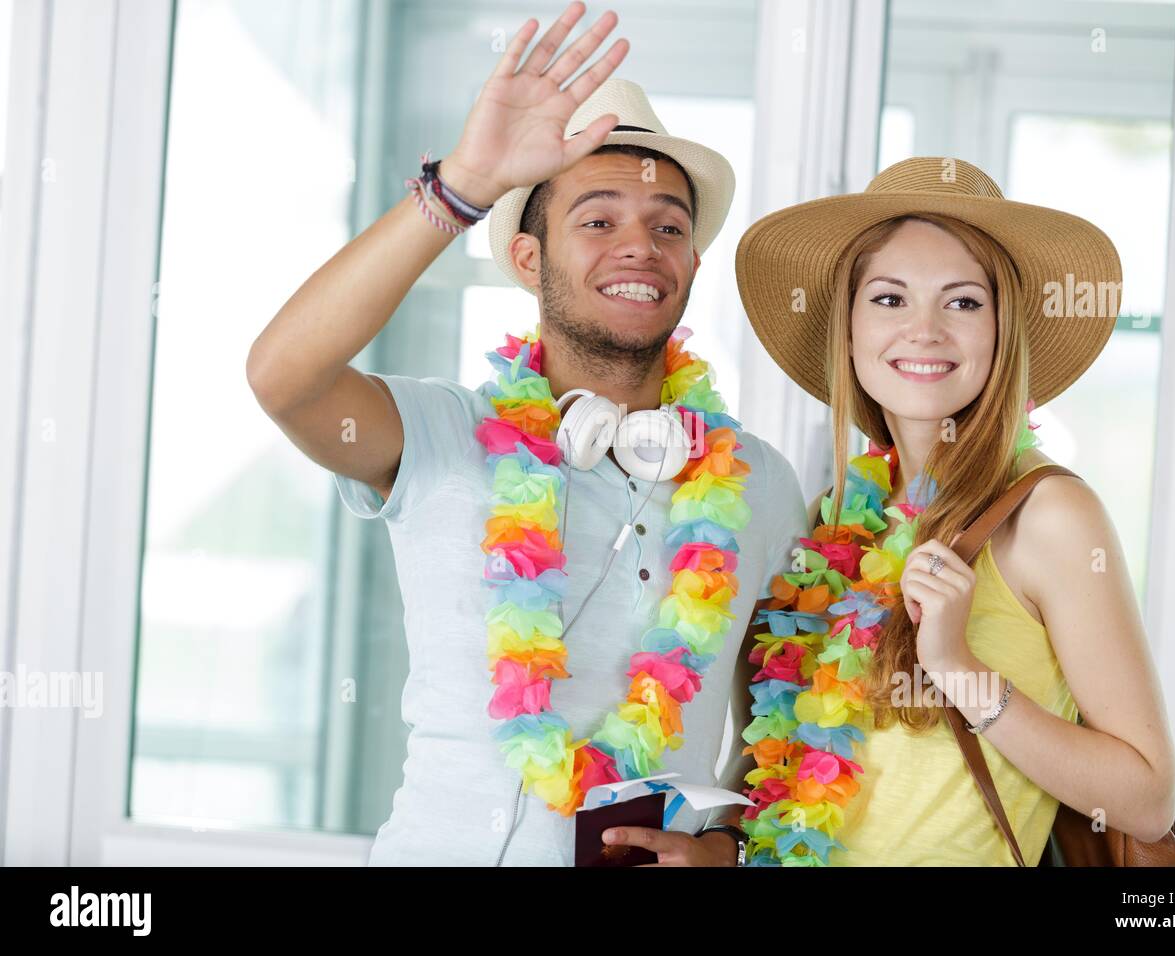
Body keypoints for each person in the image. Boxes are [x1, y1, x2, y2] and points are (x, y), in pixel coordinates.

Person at [245, 2, 807, 866]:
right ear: (527, 259)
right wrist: (463, 183)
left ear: (693, 266)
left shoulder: (759, 483)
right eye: (597, 219)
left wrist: (731, 843)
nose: (640, 247)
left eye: (668, 227)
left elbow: (786, 712)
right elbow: (283, 376)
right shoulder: (442, 436)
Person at [727, 156, 1175, 866]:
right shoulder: (833, 517)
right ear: (846, 330)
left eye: (963, 302)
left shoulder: (1051, 513)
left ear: (1003, 334)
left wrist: (957, 666)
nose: (925, 330)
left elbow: (1146, 800)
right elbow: (779, 756)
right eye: (889, 299)